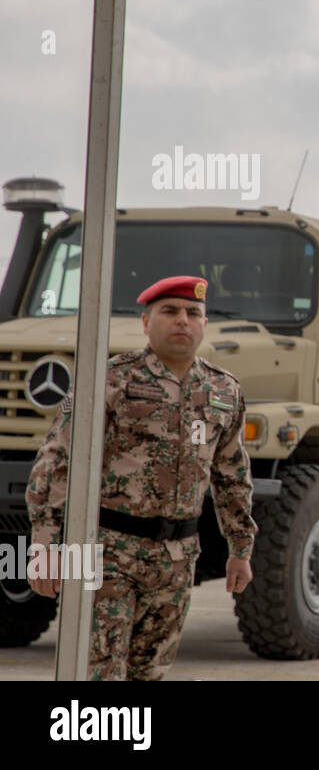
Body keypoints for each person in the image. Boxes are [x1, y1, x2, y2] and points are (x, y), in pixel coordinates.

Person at [26, 275, 257, 680]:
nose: (182, 321)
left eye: (193, 313)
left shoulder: (225, 390)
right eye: (170, 312)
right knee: (100, 672)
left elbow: (231, 473)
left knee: (148, 674)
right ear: (146, 322)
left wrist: (241, 548)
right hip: (109, 553)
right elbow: (58, 458)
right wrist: (46, 542)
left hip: (178, 560)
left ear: (205, 323)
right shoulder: (110, 378)